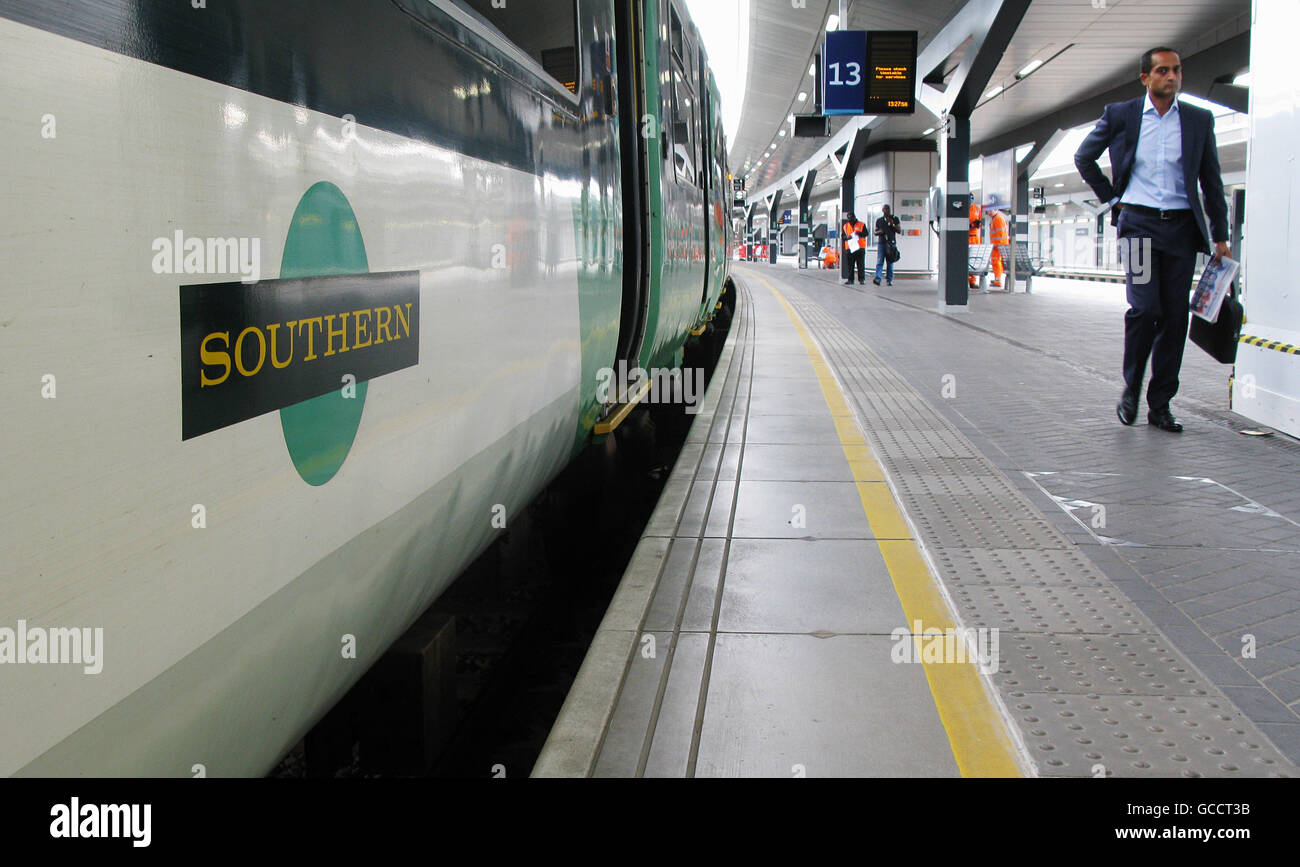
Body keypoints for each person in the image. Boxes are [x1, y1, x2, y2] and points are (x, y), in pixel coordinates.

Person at [1074, 46, 1229, 433]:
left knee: (1175, 318)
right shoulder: (1122, 115)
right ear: (1146, 77)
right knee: (1144, 310)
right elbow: (1084, 157)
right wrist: (1113, 200)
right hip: (1140, 226)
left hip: (1180, 231)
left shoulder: (1198, 120)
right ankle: (1131, 387)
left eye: (1176, 70)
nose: (1172, 77)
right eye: (1163, 71)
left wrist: (1221, 236)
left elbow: (1211, 182)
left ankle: (1160, 404)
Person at [873, 205, 901, 286]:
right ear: (882, 210)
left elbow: (899, 230)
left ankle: (889, 279)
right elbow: (875, 232)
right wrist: (880, 232)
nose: (887, 211)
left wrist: (892, 224)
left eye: (888, 209)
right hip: (881, 243)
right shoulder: (879, 220)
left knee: (890, 261)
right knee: (879, 261)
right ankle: (878, 278)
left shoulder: (895, 219)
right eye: (885, 209)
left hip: (891, 243)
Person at [841, 211, 867, 285]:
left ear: (854, 218)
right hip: (850, 248)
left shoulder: (861, 224)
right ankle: (850, 280)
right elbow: (843, 236)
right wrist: (847, 237)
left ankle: (861, 279)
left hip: (860, 248)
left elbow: (866, 233)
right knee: (850, 265)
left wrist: (860, 233)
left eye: (851, 218)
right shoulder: (845, 226)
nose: (850, 220)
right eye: (848, 219)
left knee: (861, 265)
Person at [988, 208, 1010, 288]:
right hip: (997, 245)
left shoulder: (998, 219)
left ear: (996, 210)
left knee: (997, 262)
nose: (989, 212)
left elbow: (1001, 234)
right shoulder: (996, 219)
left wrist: (998, 245)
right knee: (995, 261)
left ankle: (998, 280)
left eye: (991, 210)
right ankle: (997, 279)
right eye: (989, 211)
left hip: (998, 245)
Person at [968, 203, 983, 288]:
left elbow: (980, 222)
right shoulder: (962, 207)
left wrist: (977, 224)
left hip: (974, 238)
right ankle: (965, 279)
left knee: (973, 259)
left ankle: (972, 281)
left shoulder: (976, 209)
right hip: (965, 236)